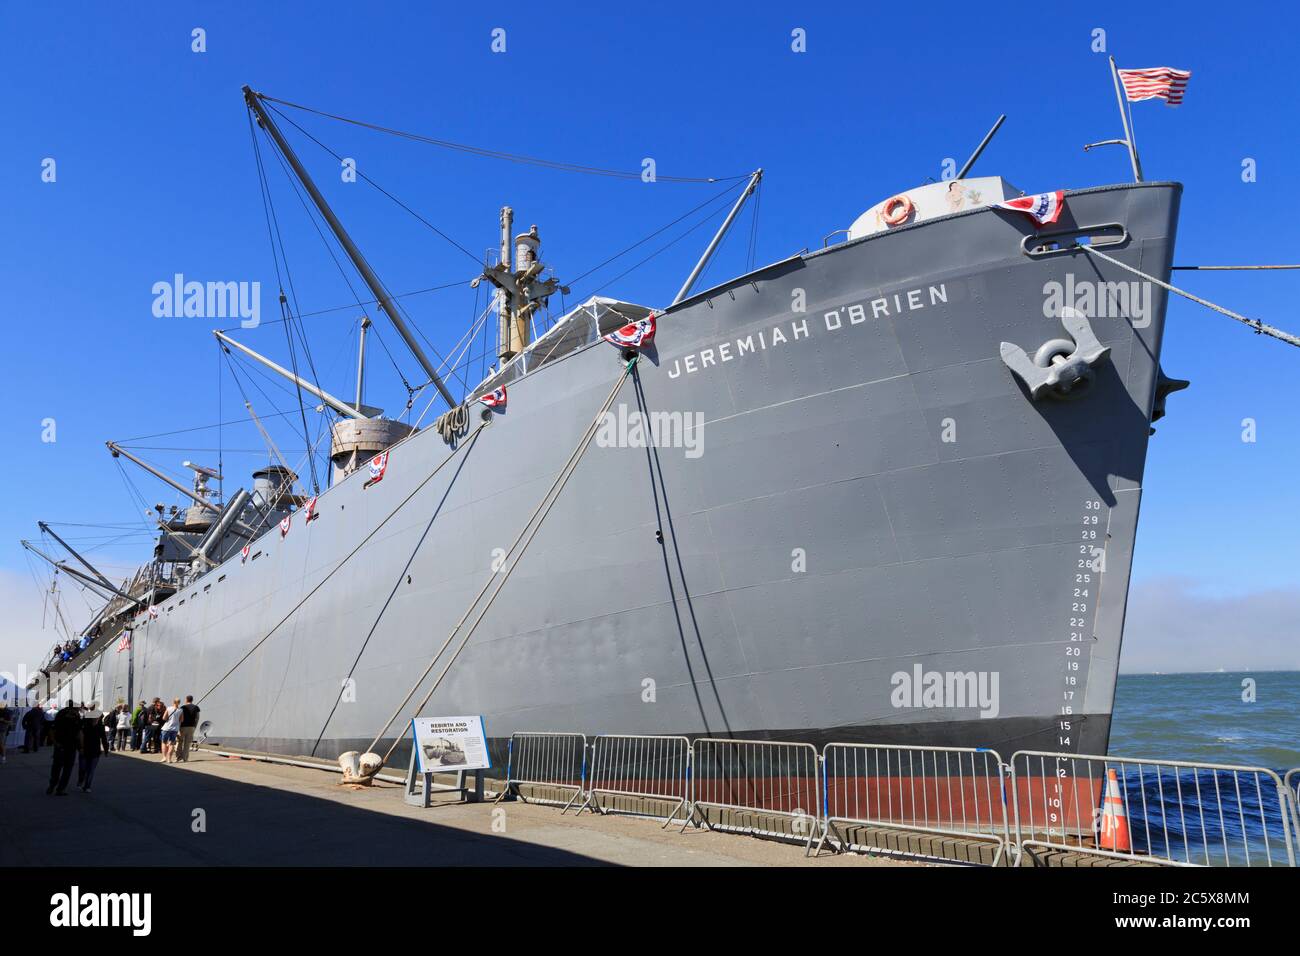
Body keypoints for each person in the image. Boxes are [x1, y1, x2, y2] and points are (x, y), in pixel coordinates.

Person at [46, 701, 82, 796]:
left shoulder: (60, 713)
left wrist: (55, 742)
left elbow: (52, 729)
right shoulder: (76, 716)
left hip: (60, 745)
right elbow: (79, 733)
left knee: (56, 767)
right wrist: (81, 747)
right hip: (71, 746)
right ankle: (60, 789)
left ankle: (52, 785)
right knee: (67, 768)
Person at [77, 702, 110, 792]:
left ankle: (87, 786)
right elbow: (79, 735)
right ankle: (80, 780)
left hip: (95, 750)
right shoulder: (85, 724)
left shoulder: (100, 726)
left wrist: (106, 750)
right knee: (82, 769)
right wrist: (80, 748)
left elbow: (103, 738)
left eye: (99, 717)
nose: (97, 718)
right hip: (84, 749)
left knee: (91, 770)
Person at [177, 695, 200, 762]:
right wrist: (195, 726)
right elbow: (197, 718)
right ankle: (185, 758)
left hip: (183, 727)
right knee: (187, 743)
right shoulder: (196, 708)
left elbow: (180, 718)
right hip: (191, 727)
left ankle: (178, 757)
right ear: (192, 700)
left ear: (186, 700)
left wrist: (178, 727)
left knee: (179, 742)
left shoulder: (182, 707)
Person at [160, 698, 181, 763]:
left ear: (173, 702)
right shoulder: (180, 710)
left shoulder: (168, 708)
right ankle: (169, 759)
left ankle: (164, 757)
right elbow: (181, 720)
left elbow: (164, 718)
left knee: (164, 742)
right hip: (175, 729)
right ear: (179, 703)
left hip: (166, 728)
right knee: (172, 744)